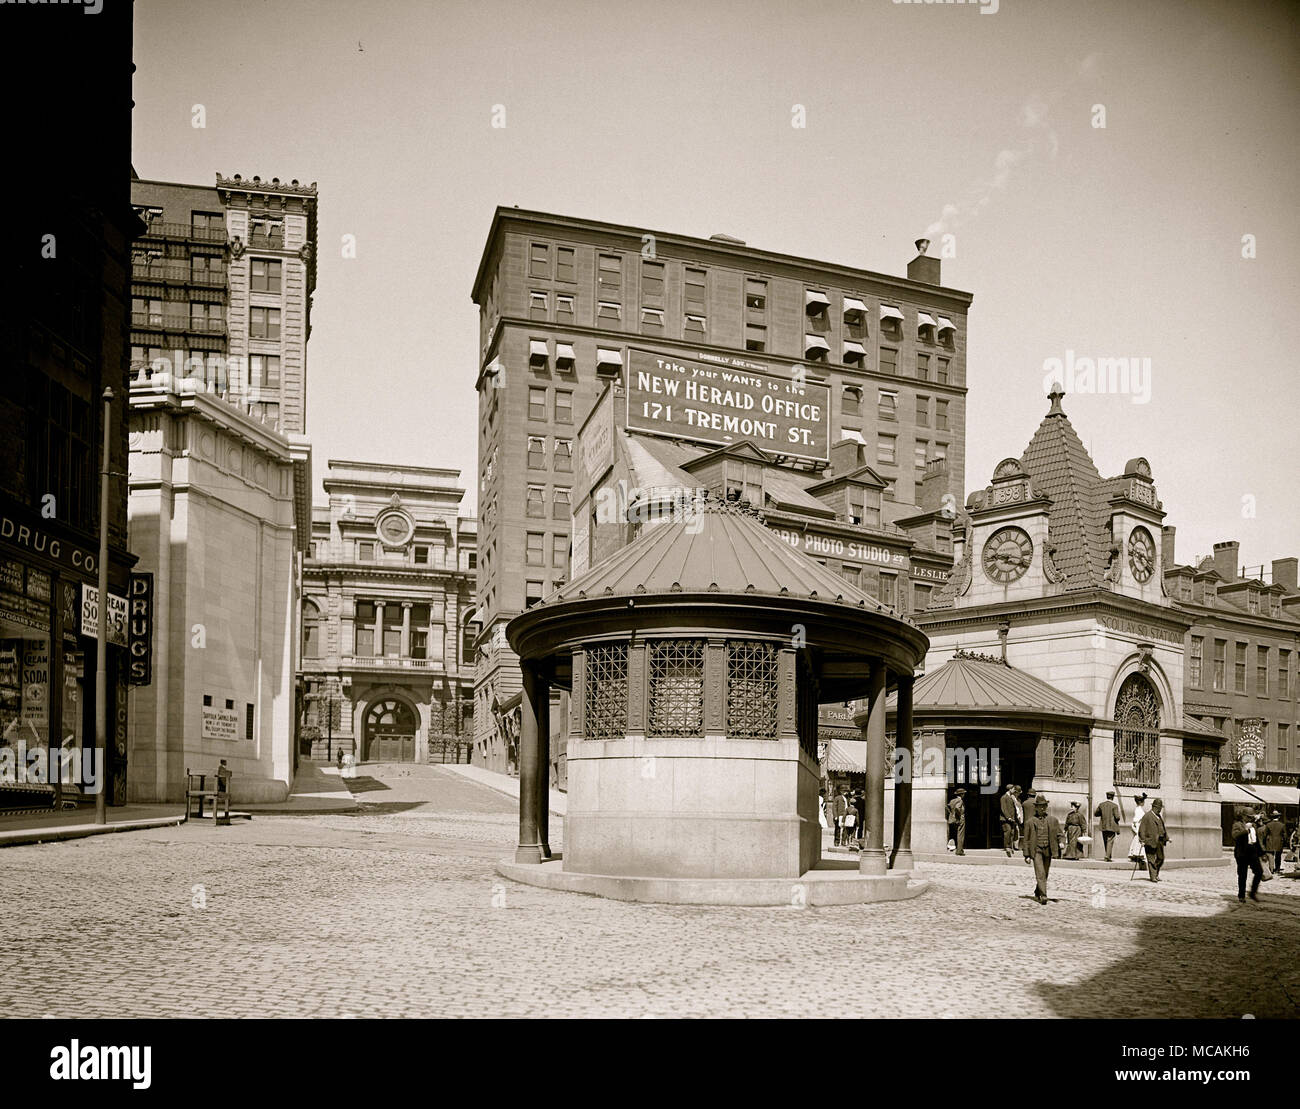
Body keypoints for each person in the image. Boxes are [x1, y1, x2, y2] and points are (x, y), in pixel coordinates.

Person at [1022, 795, 1062, 904]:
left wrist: (1061, 842)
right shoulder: (1030, 822)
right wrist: (1026, 855)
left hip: (1048, 850)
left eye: (1044, 806)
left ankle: (1038, 890)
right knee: (1040, 873)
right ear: (1036, 808)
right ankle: (1043, 896)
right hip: (1036, 850)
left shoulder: (1053, 820)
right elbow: (1026, 840)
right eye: (1040, 806)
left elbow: (1060, 834)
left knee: (1045, 873)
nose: (1042, 808)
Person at [1232, 808, 1264, 902]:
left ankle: (1252, 892)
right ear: (1243, 816)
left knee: (1259, 872)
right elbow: (1235, 836)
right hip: (1242, 853)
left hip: (1252, 852)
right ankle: (1241, 895)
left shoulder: (1254, 825)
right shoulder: (1237, 825)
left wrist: (1262, 853)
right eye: (1248, 817)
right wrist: (1246, 830)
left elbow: (1257, 840)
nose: (1250, 819)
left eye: (1251, 817)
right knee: (1242, 875)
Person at [1138, 798, 1170, 881]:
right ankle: (1153, 876)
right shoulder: (1147, 816)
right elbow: (1141, 829)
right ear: (1154, 807)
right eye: (1159, 808)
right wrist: (1142, 840)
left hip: (1159, 841)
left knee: (1161, 858)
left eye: (1160, 808)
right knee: (1151, 859)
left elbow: (1162, 828)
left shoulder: (1159, 816)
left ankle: (1155, 873)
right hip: (1150, 841)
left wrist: (1167, 838)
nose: (1160, 810)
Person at [1094, 790, 1121, 861]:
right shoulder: (1115, 806)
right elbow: (1117, 817)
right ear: (1113, 797)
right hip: (1112, 826)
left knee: (1105, 841)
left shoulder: (1101, 805)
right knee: (1110, 841)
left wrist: (1103, 813)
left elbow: (1096, 814)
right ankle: (1107, 856)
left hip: (1103, 826)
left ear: (1107, 796)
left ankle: (1108, 855)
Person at [1127, 792, 1148, 867]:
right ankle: (1138, 855)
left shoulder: (1138, 809)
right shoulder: (1139, 810)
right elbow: (1136, 820)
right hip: (1139, 826)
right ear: (1141, 802)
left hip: (1139, 826)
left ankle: (1136, 855)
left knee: (1137, 841)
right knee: (1138, 840)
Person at [1263, 810, 1286, 875]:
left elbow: (1265, 834)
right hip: (1279, 842)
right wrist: (1284, 842)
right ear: (1278, 817)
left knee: (1271, 855)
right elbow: (1285, 835)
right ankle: (1277, 869)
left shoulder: (1268, 824)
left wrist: (1264, 842)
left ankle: (1271, 869)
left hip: (1270, 842)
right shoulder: (1282, 825)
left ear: (1272, 817)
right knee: (1278, 856)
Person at [999, 784, 1019, 857]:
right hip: (1005, 819)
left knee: (1012, 833)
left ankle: (1010, 846)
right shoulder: (1004, 797)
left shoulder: (1011, 797)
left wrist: (1014, 818)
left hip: (1012, 819)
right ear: (1010, 789)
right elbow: (1003, 808)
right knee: (1007, 832)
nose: (1014, 790)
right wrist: (1008, 817)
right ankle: (1007, 846)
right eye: (1013, 789)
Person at [947, 787, 967, 856]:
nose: (964, 795)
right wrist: (960, 815)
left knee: (954, 834)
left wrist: (951, 814)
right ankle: (959, 850)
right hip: (960, 819)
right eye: (963, 794)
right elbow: (957, 808)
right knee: (960, 835)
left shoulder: (952, 800)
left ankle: (954, 847)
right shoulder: (960, 800)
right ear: (961, 794)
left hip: (953, 819)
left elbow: (947, 807)